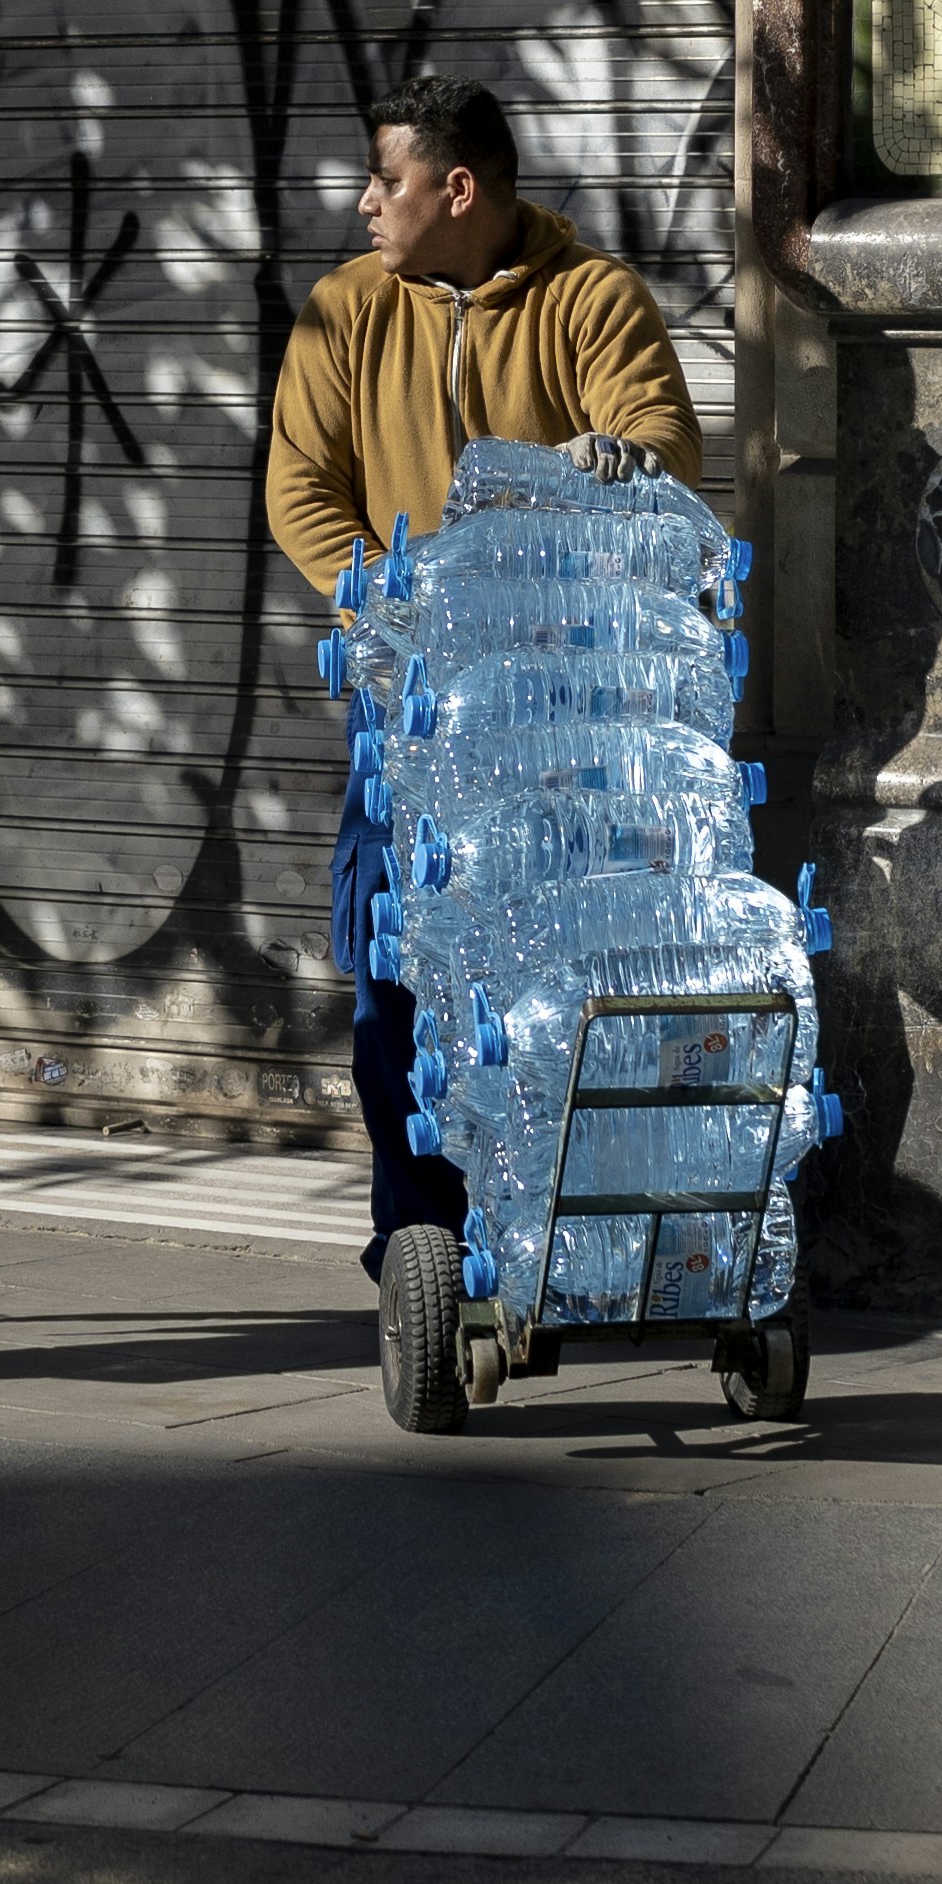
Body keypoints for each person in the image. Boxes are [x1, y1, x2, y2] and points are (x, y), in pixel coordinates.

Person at [262, 74, 702, 1303]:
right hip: (409, 699)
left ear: (456, 189)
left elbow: (660, 431)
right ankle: (424, 1248)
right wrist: (390, 610)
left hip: (575, 711)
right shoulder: (342, 314)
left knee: (571, 968)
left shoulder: (591, 298)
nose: (362, 206)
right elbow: (299, 489)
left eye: (384, 182)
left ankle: (584, 1236)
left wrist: (619, 462)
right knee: (397, 969)